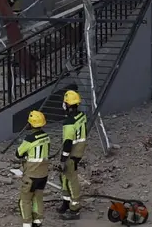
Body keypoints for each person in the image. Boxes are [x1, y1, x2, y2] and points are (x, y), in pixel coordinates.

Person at [16, 109, 54, 227]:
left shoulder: (29, 139)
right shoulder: (46, 137)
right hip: (43, 174)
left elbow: (18, 154)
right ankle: (37, 222)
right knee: (38, 198)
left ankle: (27, 224)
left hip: (31, 175)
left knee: (25, 200)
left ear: (31, 124)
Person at [58, 90, 89, 218]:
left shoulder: (69, 123)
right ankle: (66, 202)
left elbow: (68, 142)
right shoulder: (81, 116)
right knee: (64, 177)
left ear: (67, 105)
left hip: (72, 153)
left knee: (71, 179)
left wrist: (63, 159)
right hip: (79, 149)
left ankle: (74, 208)